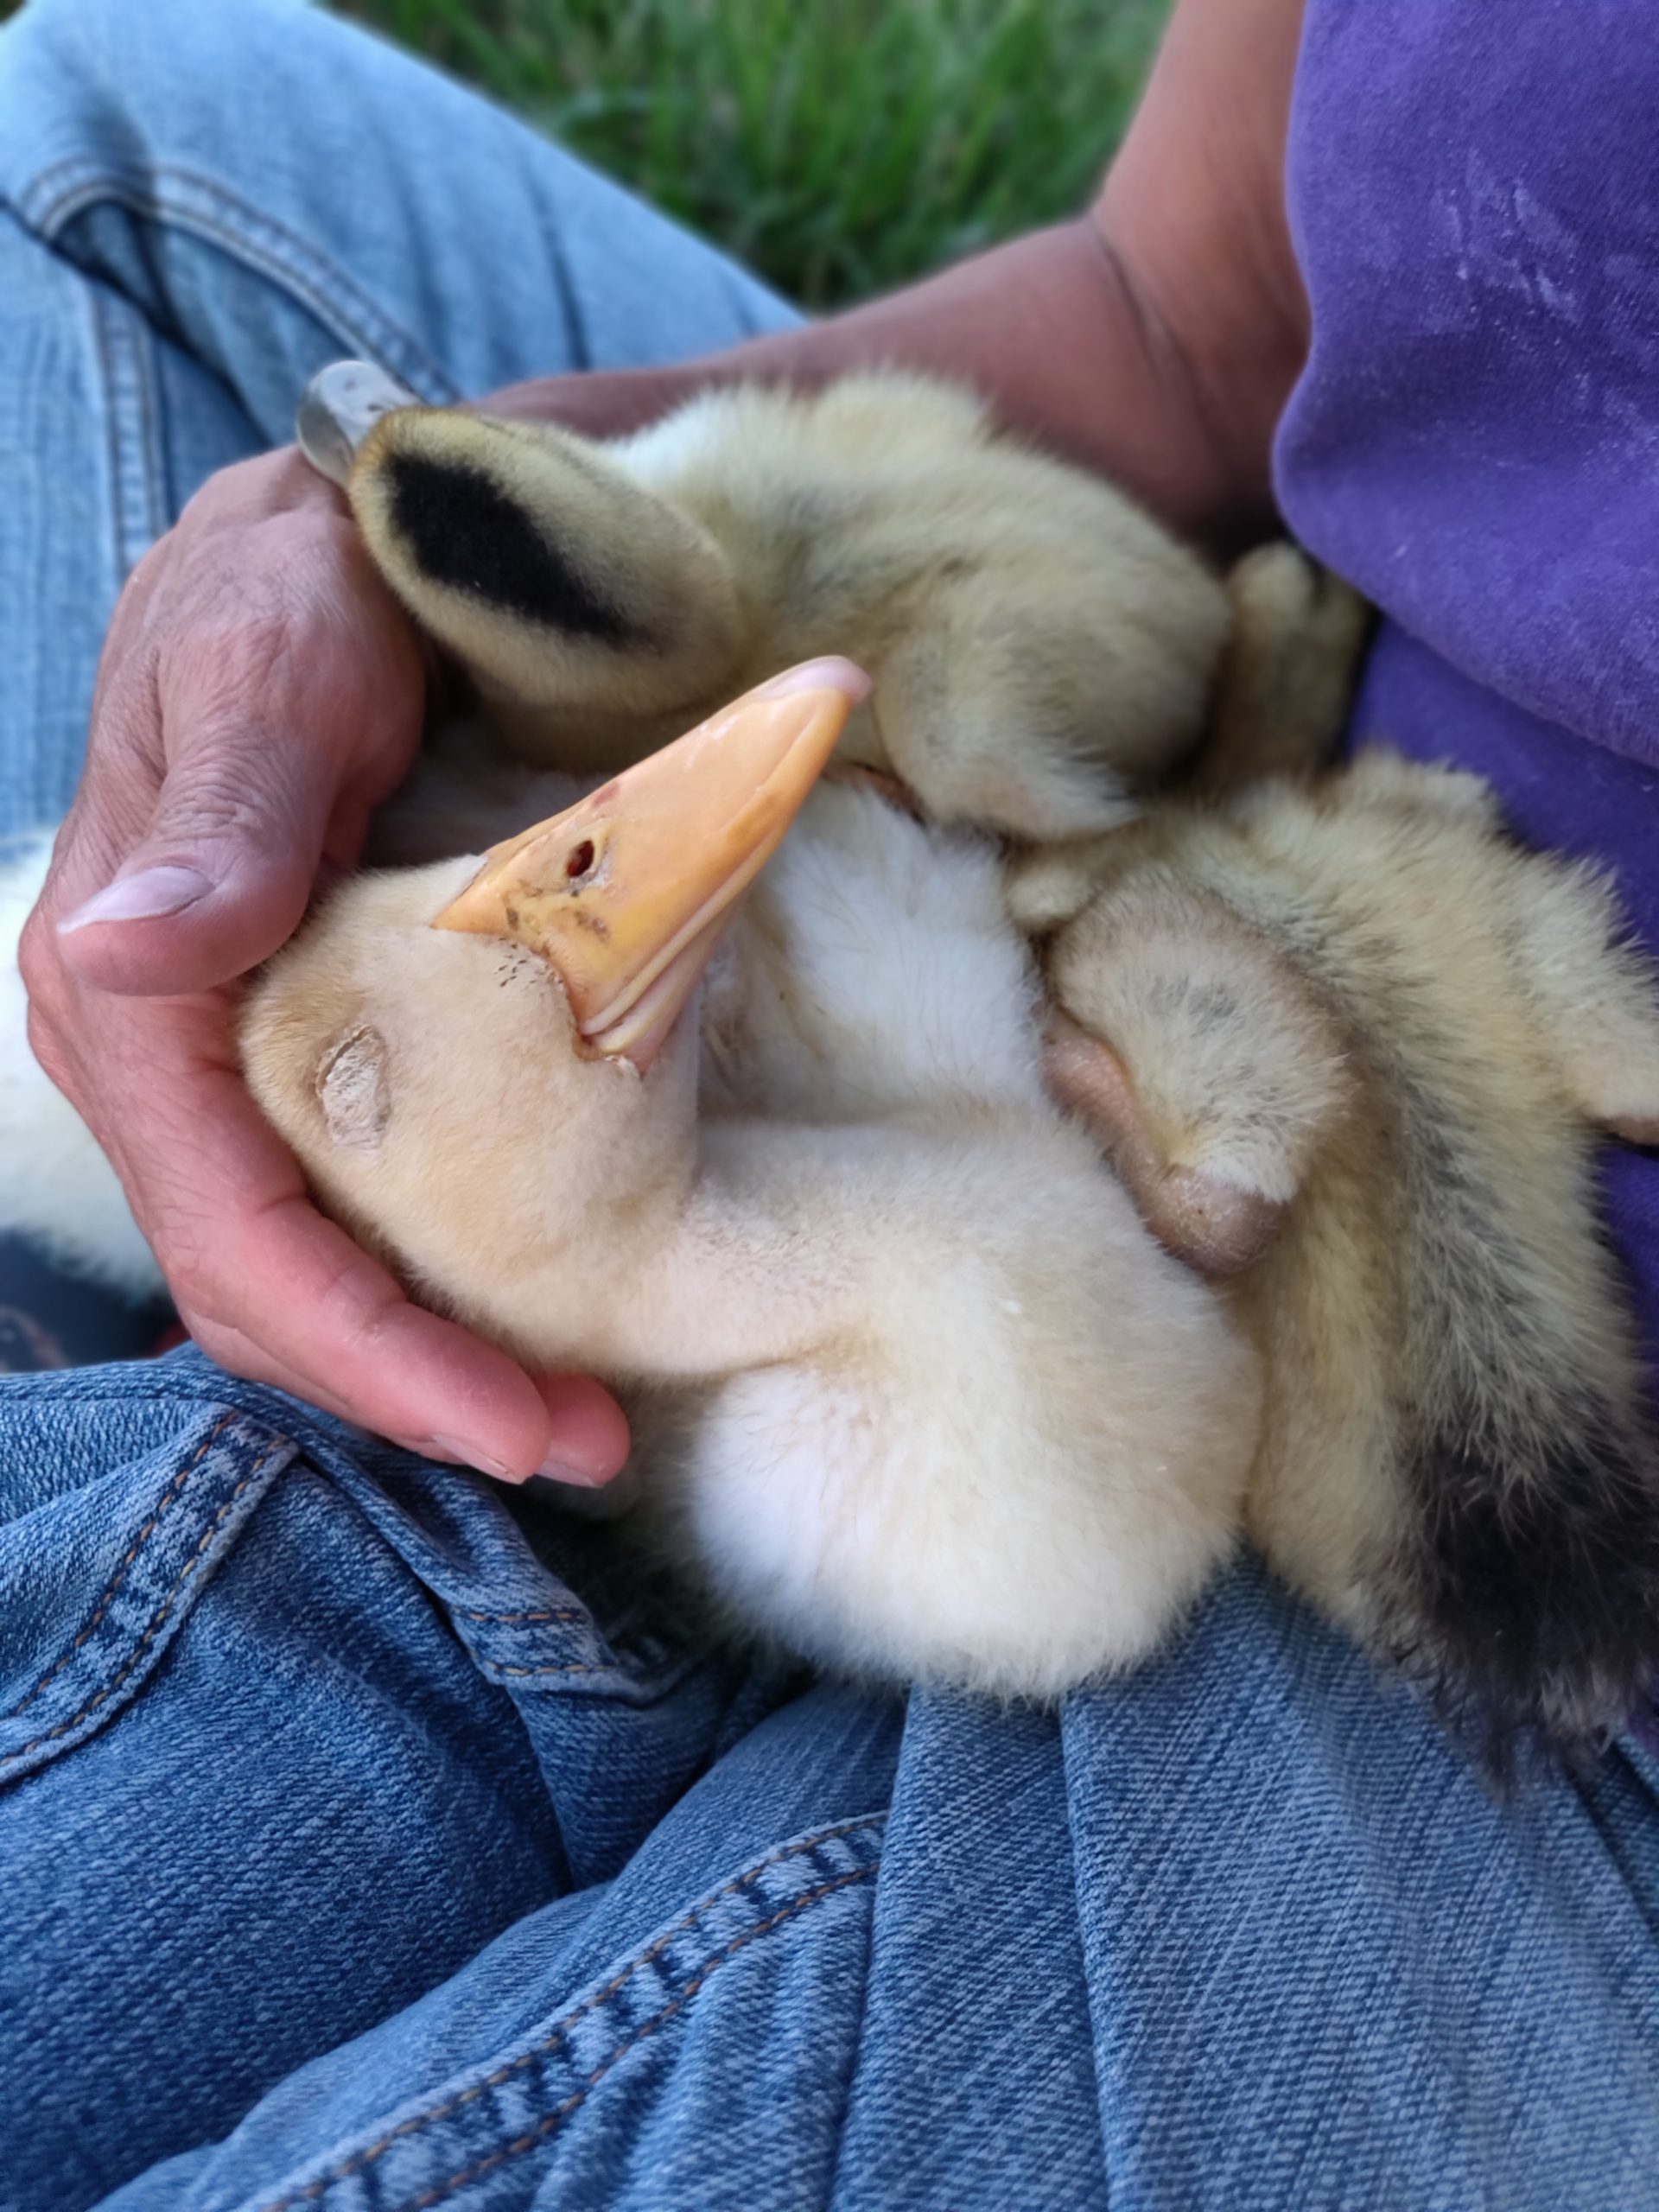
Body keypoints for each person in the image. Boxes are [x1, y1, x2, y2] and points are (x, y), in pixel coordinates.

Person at [2, 0, 1656, 2206]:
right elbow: (1194, 305)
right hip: (1171, 820)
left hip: (1539, 1629)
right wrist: (362, 515)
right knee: (86, 133)